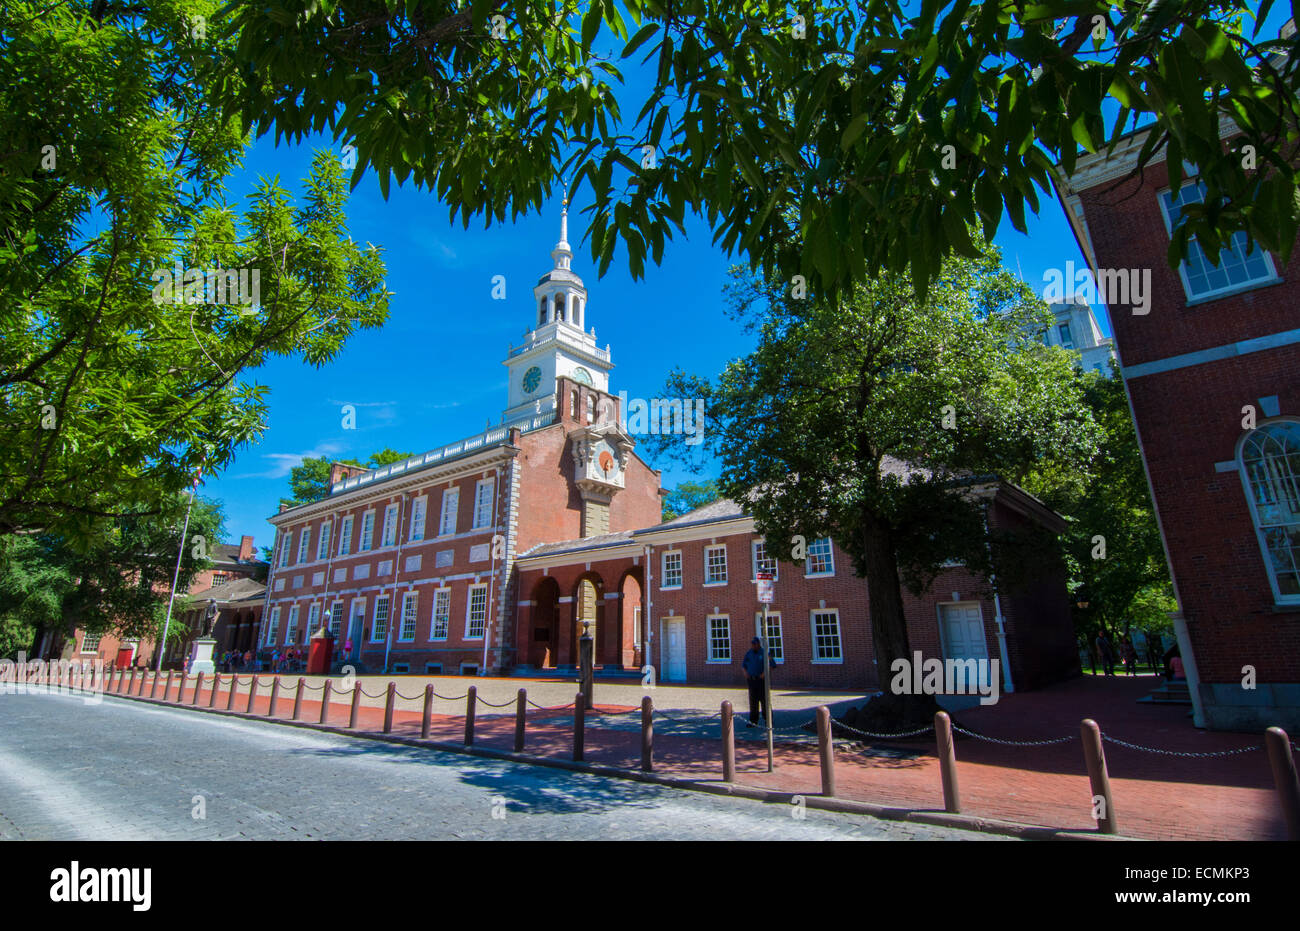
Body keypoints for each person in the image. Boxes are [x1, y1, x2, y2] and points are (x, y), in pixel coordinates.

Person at [741, 637, 767, 727]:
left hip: (761, 681)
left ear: (759, 644)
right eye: (752, 644)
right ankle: (753, 721)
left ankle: (768, 719)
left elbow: (771, 665)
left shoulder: (764, 653)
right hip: (751, 680)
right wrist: (745, 673)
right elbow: (744, 665)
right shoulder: (749, 653)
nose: (753, 646)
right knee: (753, 701)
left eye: (755, 644)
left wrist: (764, 673)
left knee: (764, 700)